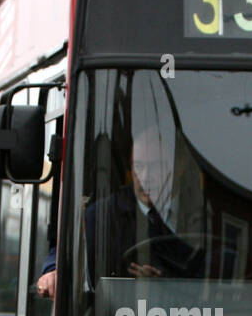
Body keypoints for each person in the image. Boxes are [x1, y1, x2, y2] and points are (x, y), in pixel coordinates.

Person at [36, 125, 193, 298]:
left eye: (157, 166)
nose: (146, 178)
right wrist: (53, 272)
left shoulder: (207, 217)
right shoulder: (101, 216)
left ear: (179, 166)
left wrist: (165, 283)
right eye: (139, 167)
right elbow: (66, 252)